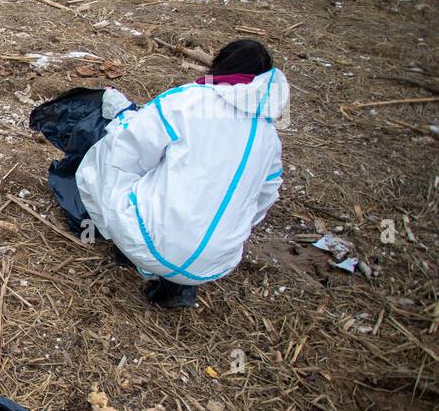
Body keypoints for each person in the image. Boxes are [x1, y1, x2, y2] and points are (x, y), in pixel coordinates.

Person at [73, 40, 286, 308]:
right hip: (217, 263)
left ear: (220, 64)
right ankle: (179, 284)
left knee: (106, 155)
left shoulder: (190, 101)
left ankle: (123, 246)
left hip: (150, 243)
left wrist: (122, 116)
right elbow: (264, 197)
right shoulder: (269, 137)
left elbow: (130, 149)